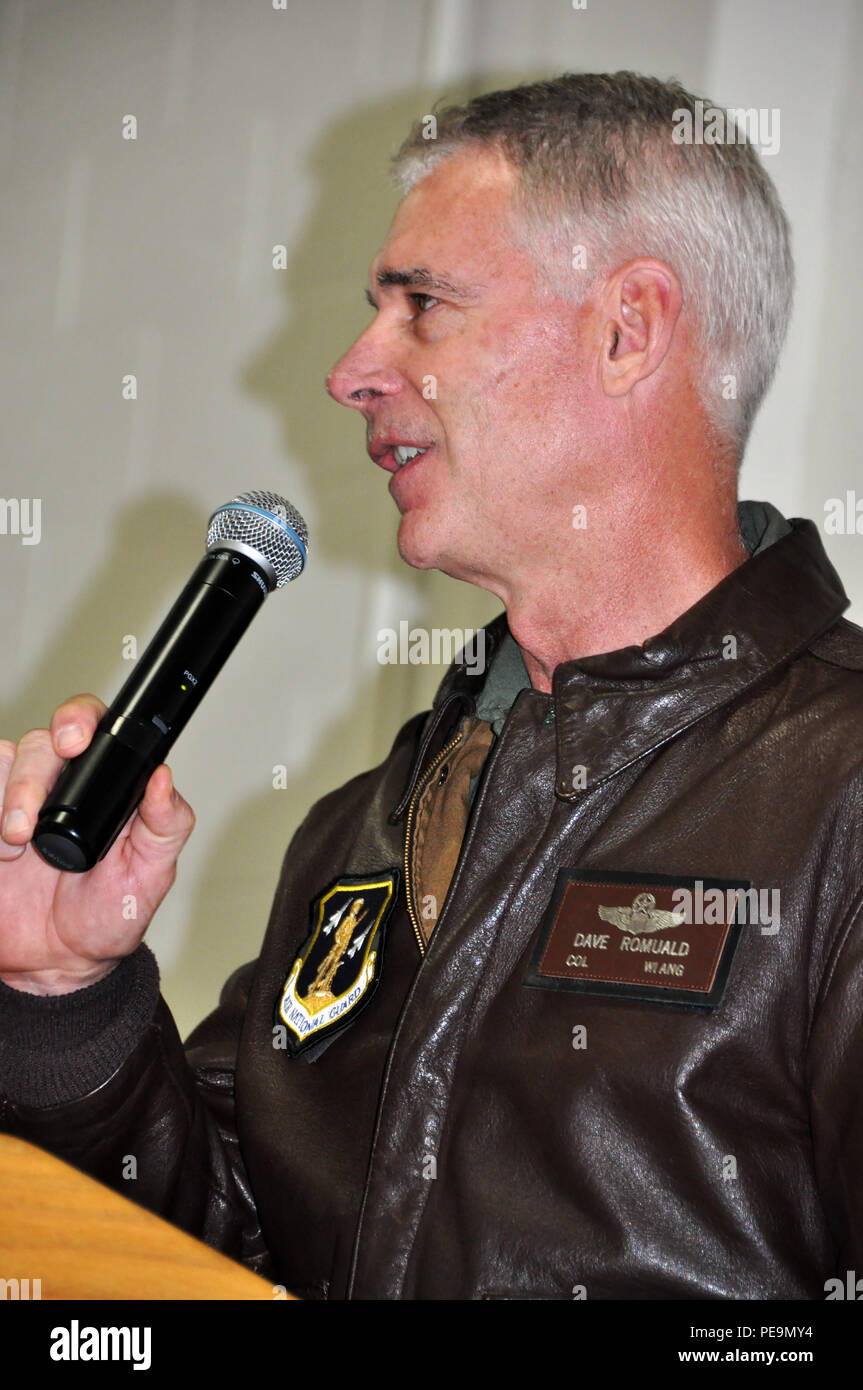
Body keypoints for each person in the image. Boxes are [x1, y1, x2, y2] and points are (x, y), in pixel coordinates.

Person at [1, 71, 861, 1301]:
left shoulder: (838, 788)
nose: (350, 371)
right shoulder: (368, 822)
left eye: (421, 305)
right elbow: (207, 1257)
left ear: (627, 328)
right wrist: (65, 999)